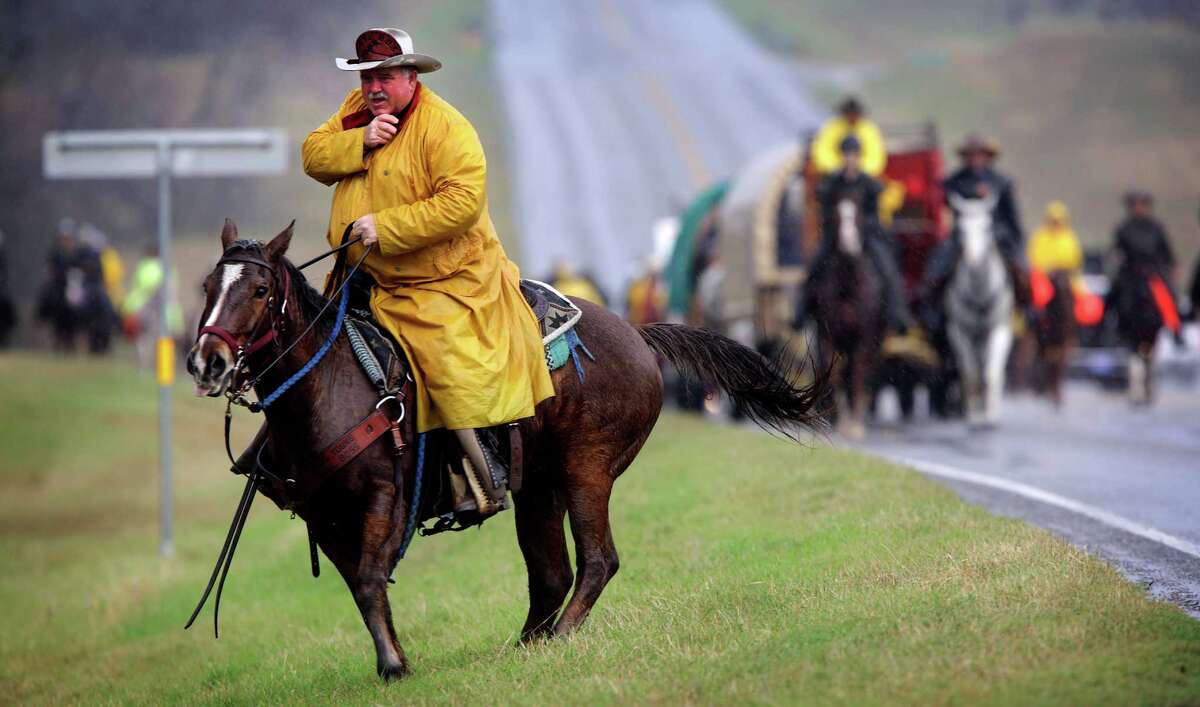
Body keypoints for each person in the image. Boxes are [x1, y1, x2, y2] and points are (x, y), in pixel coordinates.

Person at [301, 27, 553, 516]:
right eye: (368, 76)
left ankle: (482, 474)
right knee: (308, 348)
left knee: (443, 357)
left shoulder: (446, 127)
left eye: (387, 76)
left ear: (411, 77)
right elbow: (312, 154)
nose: (375, 86)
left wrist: (386, 227)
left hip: (444, 276)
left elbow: (461, 204)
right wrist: (359, 141)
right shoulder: (358, 113)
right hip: (367, 277)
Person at [793, 135, 912, 333]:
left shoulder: (868, 183)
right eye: (846, 154)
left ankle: (897, 314)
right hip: (836, 235)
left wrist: (864, 225)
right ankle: (801, 314)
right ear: (841, 157)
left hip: (865, 236)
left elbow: (874, 213)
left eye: (854, 155)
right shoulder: (832, 182)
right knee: (815, 266)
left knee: (888, 268)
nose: (850, 159)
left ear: (859, 157)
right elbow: (823, 204)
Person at [920, 135, 1027, 325]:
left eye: (980, 155)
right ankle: (933, 313)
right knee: (936, 267)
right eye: (971, 155)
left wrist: (1018, 246)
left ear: (988, 157)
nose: (975, 159)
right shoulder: (955, 181)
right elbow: (938, 199)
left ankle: (1025, 311)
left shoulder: (1001, 182)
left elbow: (1012, 219)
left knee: (1021, 271)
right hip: (961, 236)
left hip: (996, 235)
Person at [1105, 191, 1182, 342]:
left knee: (1168, 296)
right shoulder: (1124, 228)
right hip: (1130, 272)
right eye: (1135, 205)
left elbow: (1166, 251)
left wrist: (1171, 267)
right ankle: (1107, 327)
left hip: (1153, 272)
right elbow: (1116, 250)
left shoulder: (1156, 228)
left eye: (1142, 205)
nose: (1138, 208)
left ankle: (1176, 330)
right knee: (1113, 294)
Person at [809, 96, 887, 178]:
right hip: (834, 175)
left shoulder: (868, 129)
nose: (852, 116)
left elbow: (875, 155)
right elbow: (822, 151)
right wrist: (835, 168)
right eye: (849, 113)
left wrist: (861, 171)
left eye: (854, 113)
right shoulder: (833, 127)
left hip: (863, 177)